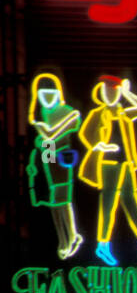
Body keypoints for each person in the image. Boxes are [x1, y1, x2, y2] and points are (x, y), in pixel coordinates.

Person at [77, 75, 137, 265]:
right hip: (108, 165)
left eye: (114, 91)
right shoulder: (98, 114)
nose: (110, 95)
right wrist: (101, 145)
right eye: (107, 91)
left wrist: (128, 92)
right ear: (101, 93)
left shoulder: (124, 114)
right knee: (108, 204)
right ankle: (103, 245)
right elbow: (85, 134)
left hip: (126, 164)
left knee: (132, 201)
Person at [26, 73, 84, 259]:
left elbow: (59, 131)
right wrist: (43, 139)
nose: (48, 99)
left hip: (63, 156)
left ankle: (72, 237)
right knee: (55, 202)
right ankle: (64, 240)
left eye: (51, 94)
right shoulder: (43, 114)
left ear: (58, 93)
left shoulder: (66, 110)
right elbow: (48, 138)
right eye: (44, 95)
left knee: (62, 198)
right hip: (50, 155)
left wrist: (47, 134)